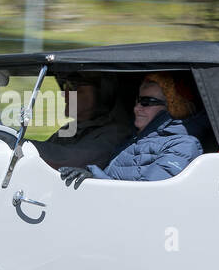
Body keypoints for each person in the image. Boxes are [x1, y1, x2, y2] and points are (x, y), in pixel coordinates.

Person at [58, 72, 205, 186]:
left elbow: (149, 195)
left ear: (173, 108)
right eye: (138, 101)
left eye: (147, 102)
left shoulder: (183, 145)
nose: (136, 108)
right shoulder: (135, 140)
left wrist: (96, 178)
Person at [35, 73, 133, 170]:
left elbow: (70, 160)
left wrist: (24, 145)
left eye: (73, 87)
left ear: (102, 92)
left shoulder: (117, 133)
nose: (64, 93)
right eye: (64, 86)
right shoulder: (71, 128)